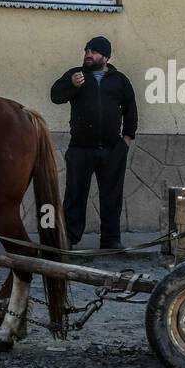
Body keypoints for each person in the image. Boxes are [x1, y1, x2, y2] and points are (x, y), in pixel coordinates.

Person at [50, 36, 137, 249]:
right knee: (75, 195)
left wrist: (126, 139)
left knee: (111, 197)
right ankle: (69, 237)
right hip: (80, 149)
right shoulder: (75, 75)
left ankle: (110, 240)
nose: (89, 54)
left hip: (112, 149)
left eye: (95, 51)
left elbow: (130, 109)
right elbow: (55, 96)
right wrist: (72, 86)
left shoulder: (119, 80)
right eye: (87, 50)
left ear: (106, 57)